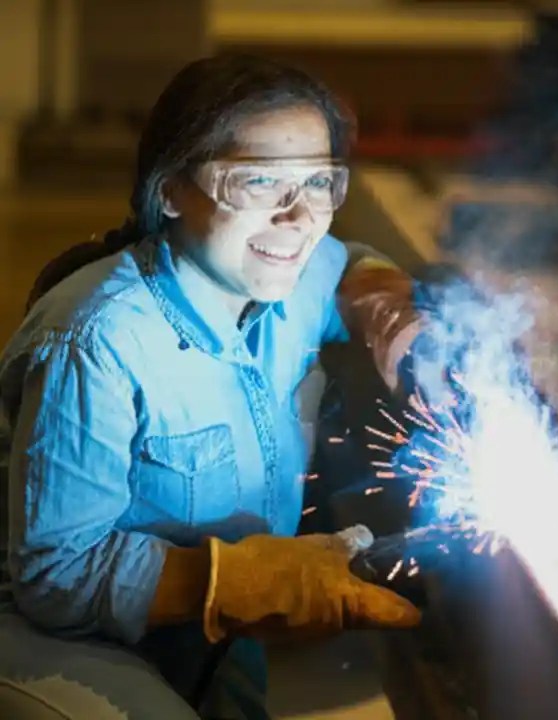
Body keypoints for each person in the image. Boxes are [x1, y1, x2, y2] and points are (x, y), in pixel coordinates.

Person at [0, 54, 430, 720]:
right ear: (170, 190)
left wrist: (385, 301)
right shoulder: (99, 340)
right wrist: (240, 580)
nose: (298, 217)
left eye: (318, 180)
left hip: (204, 636)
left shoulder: (291, 275)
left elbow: (350, 264)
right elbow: (55, 577)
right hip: (50, 636)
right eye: (257, 181)